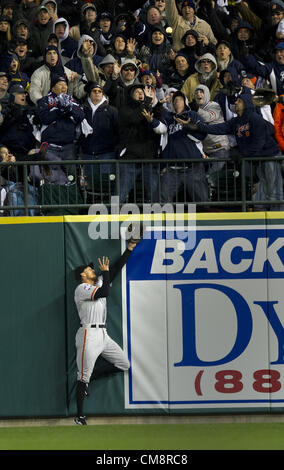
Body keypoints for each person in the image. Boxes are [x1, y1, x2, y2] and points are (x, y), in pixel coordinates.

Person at [73, 238, 140, 425]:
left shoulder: (100, 282)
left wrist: (129, 249)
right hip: (88, 334)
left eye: (92, 268)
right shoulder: (81, 289)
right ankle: (79, 417)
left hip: (103, 335)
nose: (92, 270)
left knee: (123, 364)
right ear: (83, 276)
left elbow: (116, 269)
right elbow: (104, 293)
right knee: (82, 377)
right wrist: (104, 272)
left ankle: (92, 376)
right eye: (88, 269)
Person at [195, 90, 284, 210]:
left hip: (270, 156)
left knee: (273, 190)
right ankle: (263, 218)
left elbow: (259, 142)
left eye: (240, 101)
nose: (236, 102)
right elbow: (219, 128)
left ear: (247, 103)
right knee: (263, 187)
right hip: (259, 159)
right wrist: (200, 126)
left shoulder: (255, 118)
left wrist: (243, 154)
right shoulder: (237, 121)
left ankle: (277, 220)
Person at [151, 89, 209, 204]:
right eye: (175, 100)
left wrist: (189, 126)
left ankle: (204, 221)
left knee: (203, 200)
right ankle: (165, 222)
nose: (177, 101)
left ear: (185, 102)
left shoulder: (192, 114)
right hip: (172, 168)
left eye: (180, 99)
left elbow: (202, 133)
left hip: (193, 167)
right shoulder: (169, 117)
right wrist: (151, 120)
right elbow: (160, 128)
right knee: (162, 201)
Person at [117, 83, 166, 203]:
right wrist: (148, 101)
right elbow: (135, 118)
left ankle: (154, 219)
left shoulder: (149, 108)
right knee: (120, 194)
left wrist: (158, 106)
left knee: (155, 194)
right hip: (130, 160)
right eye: (137, 92)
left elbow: (159, 124)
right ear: (130, 95)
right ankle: (111, 218)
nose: (140, 94)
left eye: (142, 92)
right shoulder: (124, 109)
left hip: (148, 160)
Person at [37, 74, 84, 182]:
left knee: (71, 178)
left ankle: (71, 199)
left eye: (65, 84)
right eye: (60, 84)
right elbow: (45, 118)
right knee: (50, 178)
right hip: (50, 147)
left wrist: (69, 109)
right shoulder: (45, 100)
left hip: (69, 147)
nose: (64, 87)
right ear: (53, 87)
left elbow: (80, 116)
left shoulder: (72, 100)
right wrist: (59, 110)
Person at [80, 81, 119, 186]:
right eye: (94, 91)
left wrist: (113, 147)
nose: (97, 93)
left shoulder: (112, 111)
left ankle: (111, 203)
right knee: (90, 186)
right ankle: (90, 203)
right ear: (89, 94)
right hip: (88, 154)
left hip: (107, 154)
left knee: (109, 185)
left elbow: (118, 131)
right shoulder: (82, 110)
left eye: (99, 91)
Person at [192, 84, 230, 181]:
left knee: (211, 177)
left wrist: (196, 110)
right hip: (205, 152)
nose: (198, 94)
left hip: (220, 149)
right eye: (196, 93)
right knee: (196, 177)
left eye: (201, 92)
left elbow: (208, 117)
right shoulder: (195, 110)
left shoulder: (214, 105)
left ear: (207, 94)